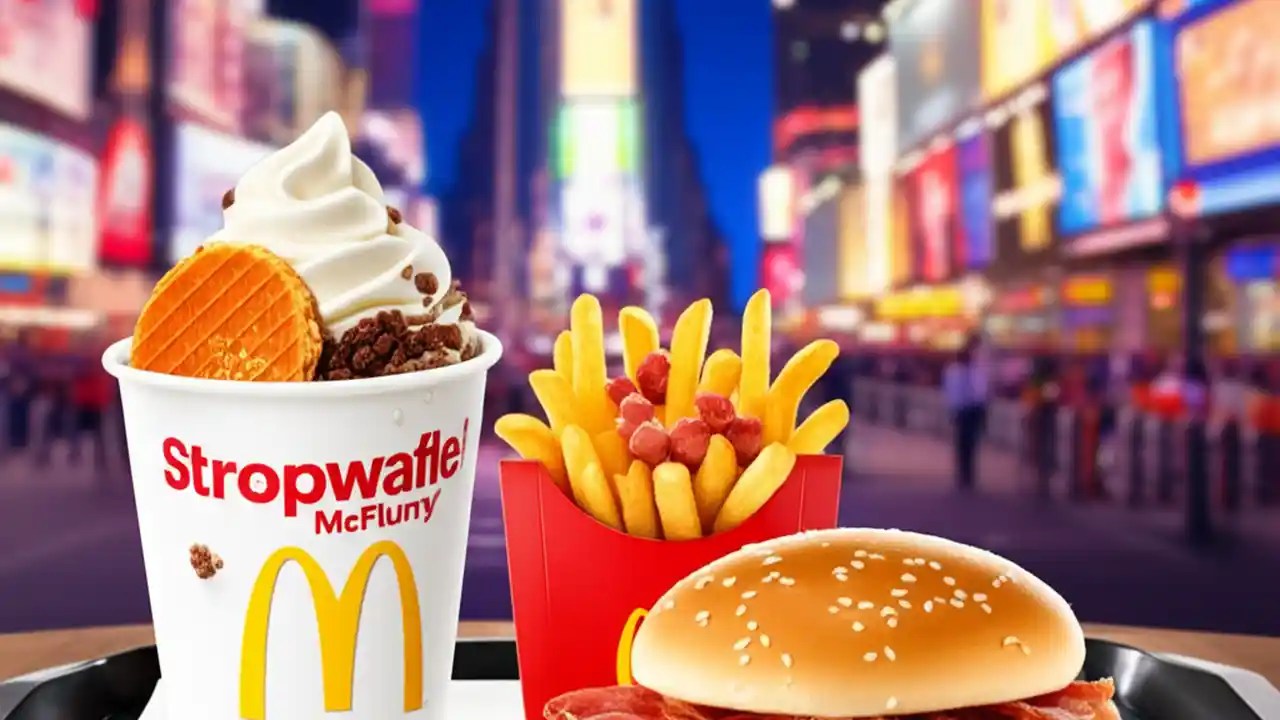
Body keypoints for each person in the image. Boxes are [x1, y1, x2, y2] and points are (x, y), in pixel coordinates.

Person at [943, 336, 988, 490]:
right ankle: (964, 474)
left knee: (969, 443)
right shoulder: (955, 371)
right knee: (964, 443)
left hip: (970, 409)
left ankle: (967, 474)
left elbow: (980, 391)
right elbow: (953, 392)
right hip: (964, 410)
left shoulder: (972, 370)